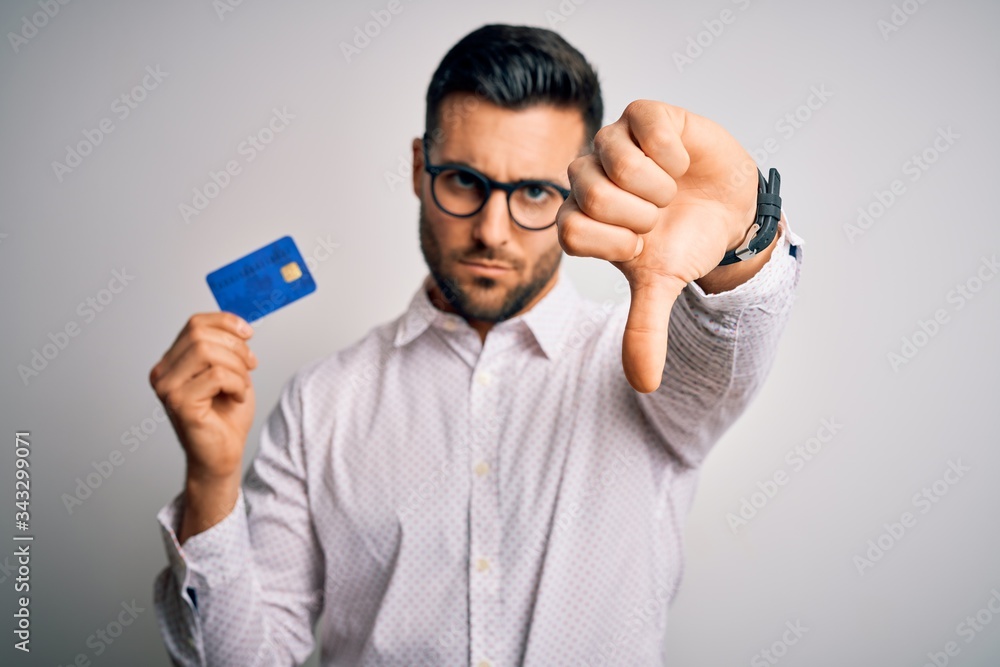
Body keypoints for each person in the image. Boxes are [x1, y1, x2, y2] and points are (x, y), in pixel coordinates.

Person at [149, 23, 803, 666]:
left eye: (536, 192)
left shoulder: (646, 367)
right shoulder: (319, 404)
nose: (492, 231)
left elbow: (725, 339)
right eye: (464, 179)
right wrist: (210, 481)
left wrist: (740, 240)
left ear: (580, 194)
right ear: (419, 168)